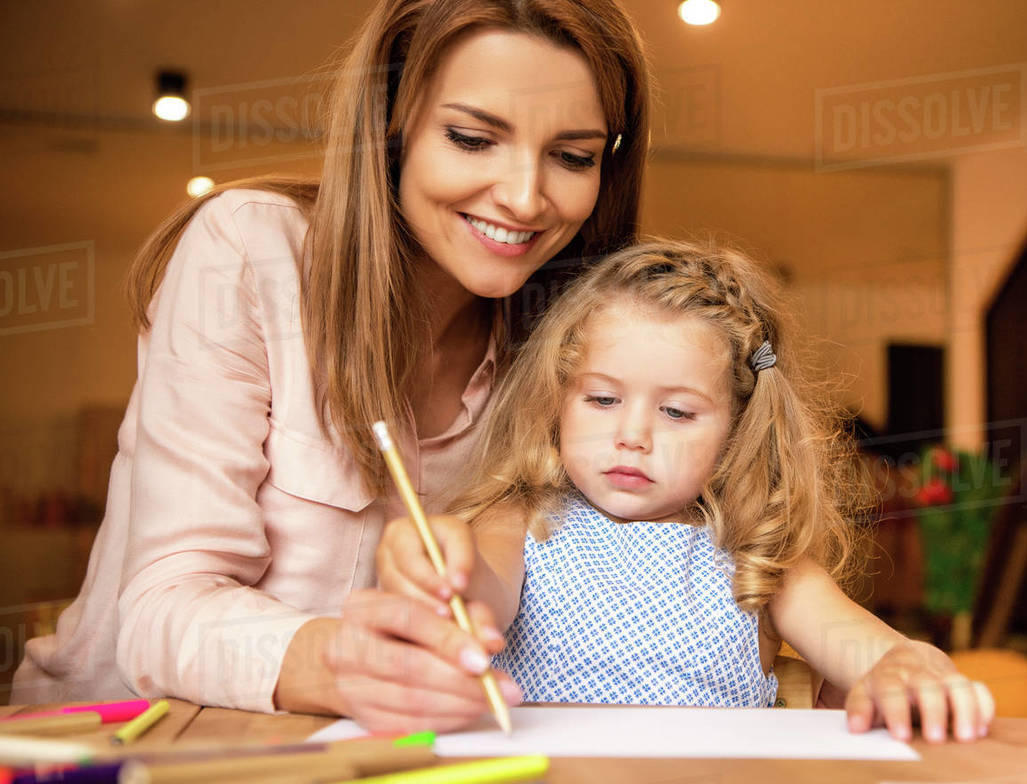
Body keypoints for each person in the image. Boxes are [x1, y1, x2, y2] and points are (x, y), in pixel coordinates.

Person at [12, 0, 651, 735]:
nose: (524, 196)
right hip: (117, 746)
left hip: (357, 762)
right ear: (390, 125)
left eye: (573, 157)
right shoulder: (249, 251)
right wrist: (345, 662)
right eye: (473, 139)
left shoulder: (572, 351)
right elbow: (159, 607)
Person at [382, 240, 998, 743]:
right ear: (556, 401)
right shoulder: (519, 520)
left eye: (677, 412)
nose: (631, 436)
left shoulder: (757, 557)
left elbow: (870, 649)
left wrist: (908, 665)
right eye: (601, 399)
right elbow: (479, 601)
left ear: (737, 430)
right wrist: (445, 568)